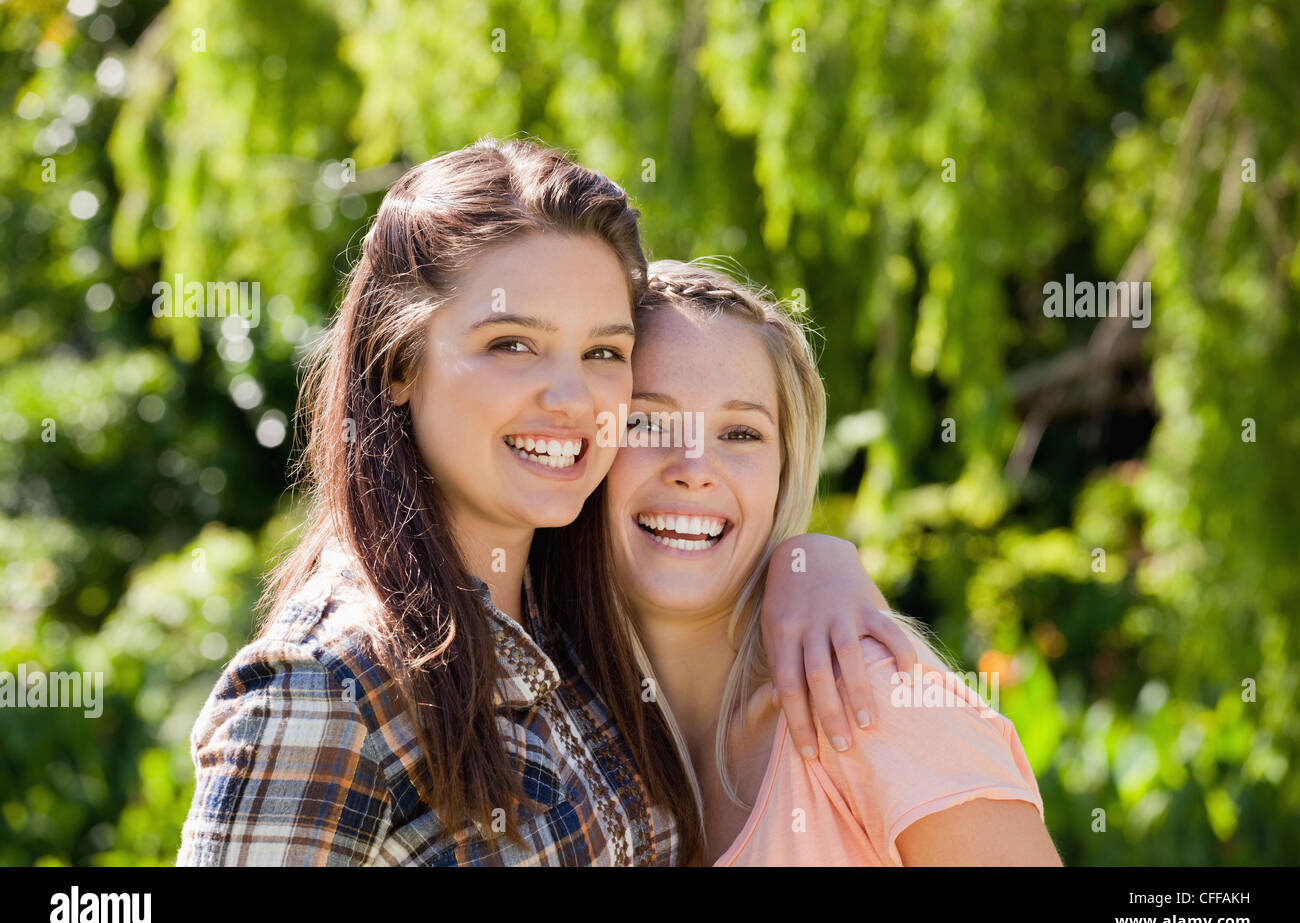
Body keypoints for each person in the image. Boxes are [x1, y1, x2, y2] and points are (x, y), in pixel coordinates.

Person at [177, 138, 916, 866]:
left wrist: (811, 562)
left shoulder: (578, 622)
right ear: (397, 361)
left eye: (602, 353)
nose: (570, 400)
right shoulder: (326, 691)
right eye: (512, 345)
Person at [603, 260, 1063, 865]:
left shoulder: (867, 699)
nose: (694, 468)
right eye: (646, 422)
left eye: (740, 433)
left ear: (783, 474)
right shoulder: (562, 732)